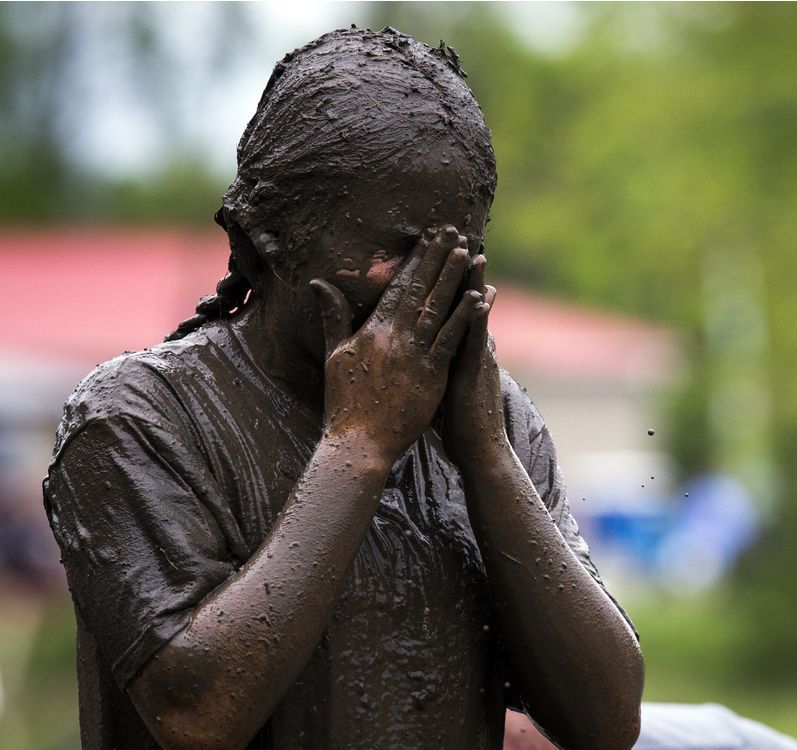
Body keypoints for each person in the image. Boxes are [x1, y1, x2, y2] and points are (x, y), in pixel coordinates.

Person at [43, 27, 643, 750]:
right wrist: (357, 444)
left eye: (459, 248)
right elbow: (197, 715)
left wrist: (485, 458)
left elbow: (607, 724)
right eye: (397, 249)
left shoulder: (494, 417)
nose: (431, 285)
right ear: (270, 239)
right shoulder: (136, 419)